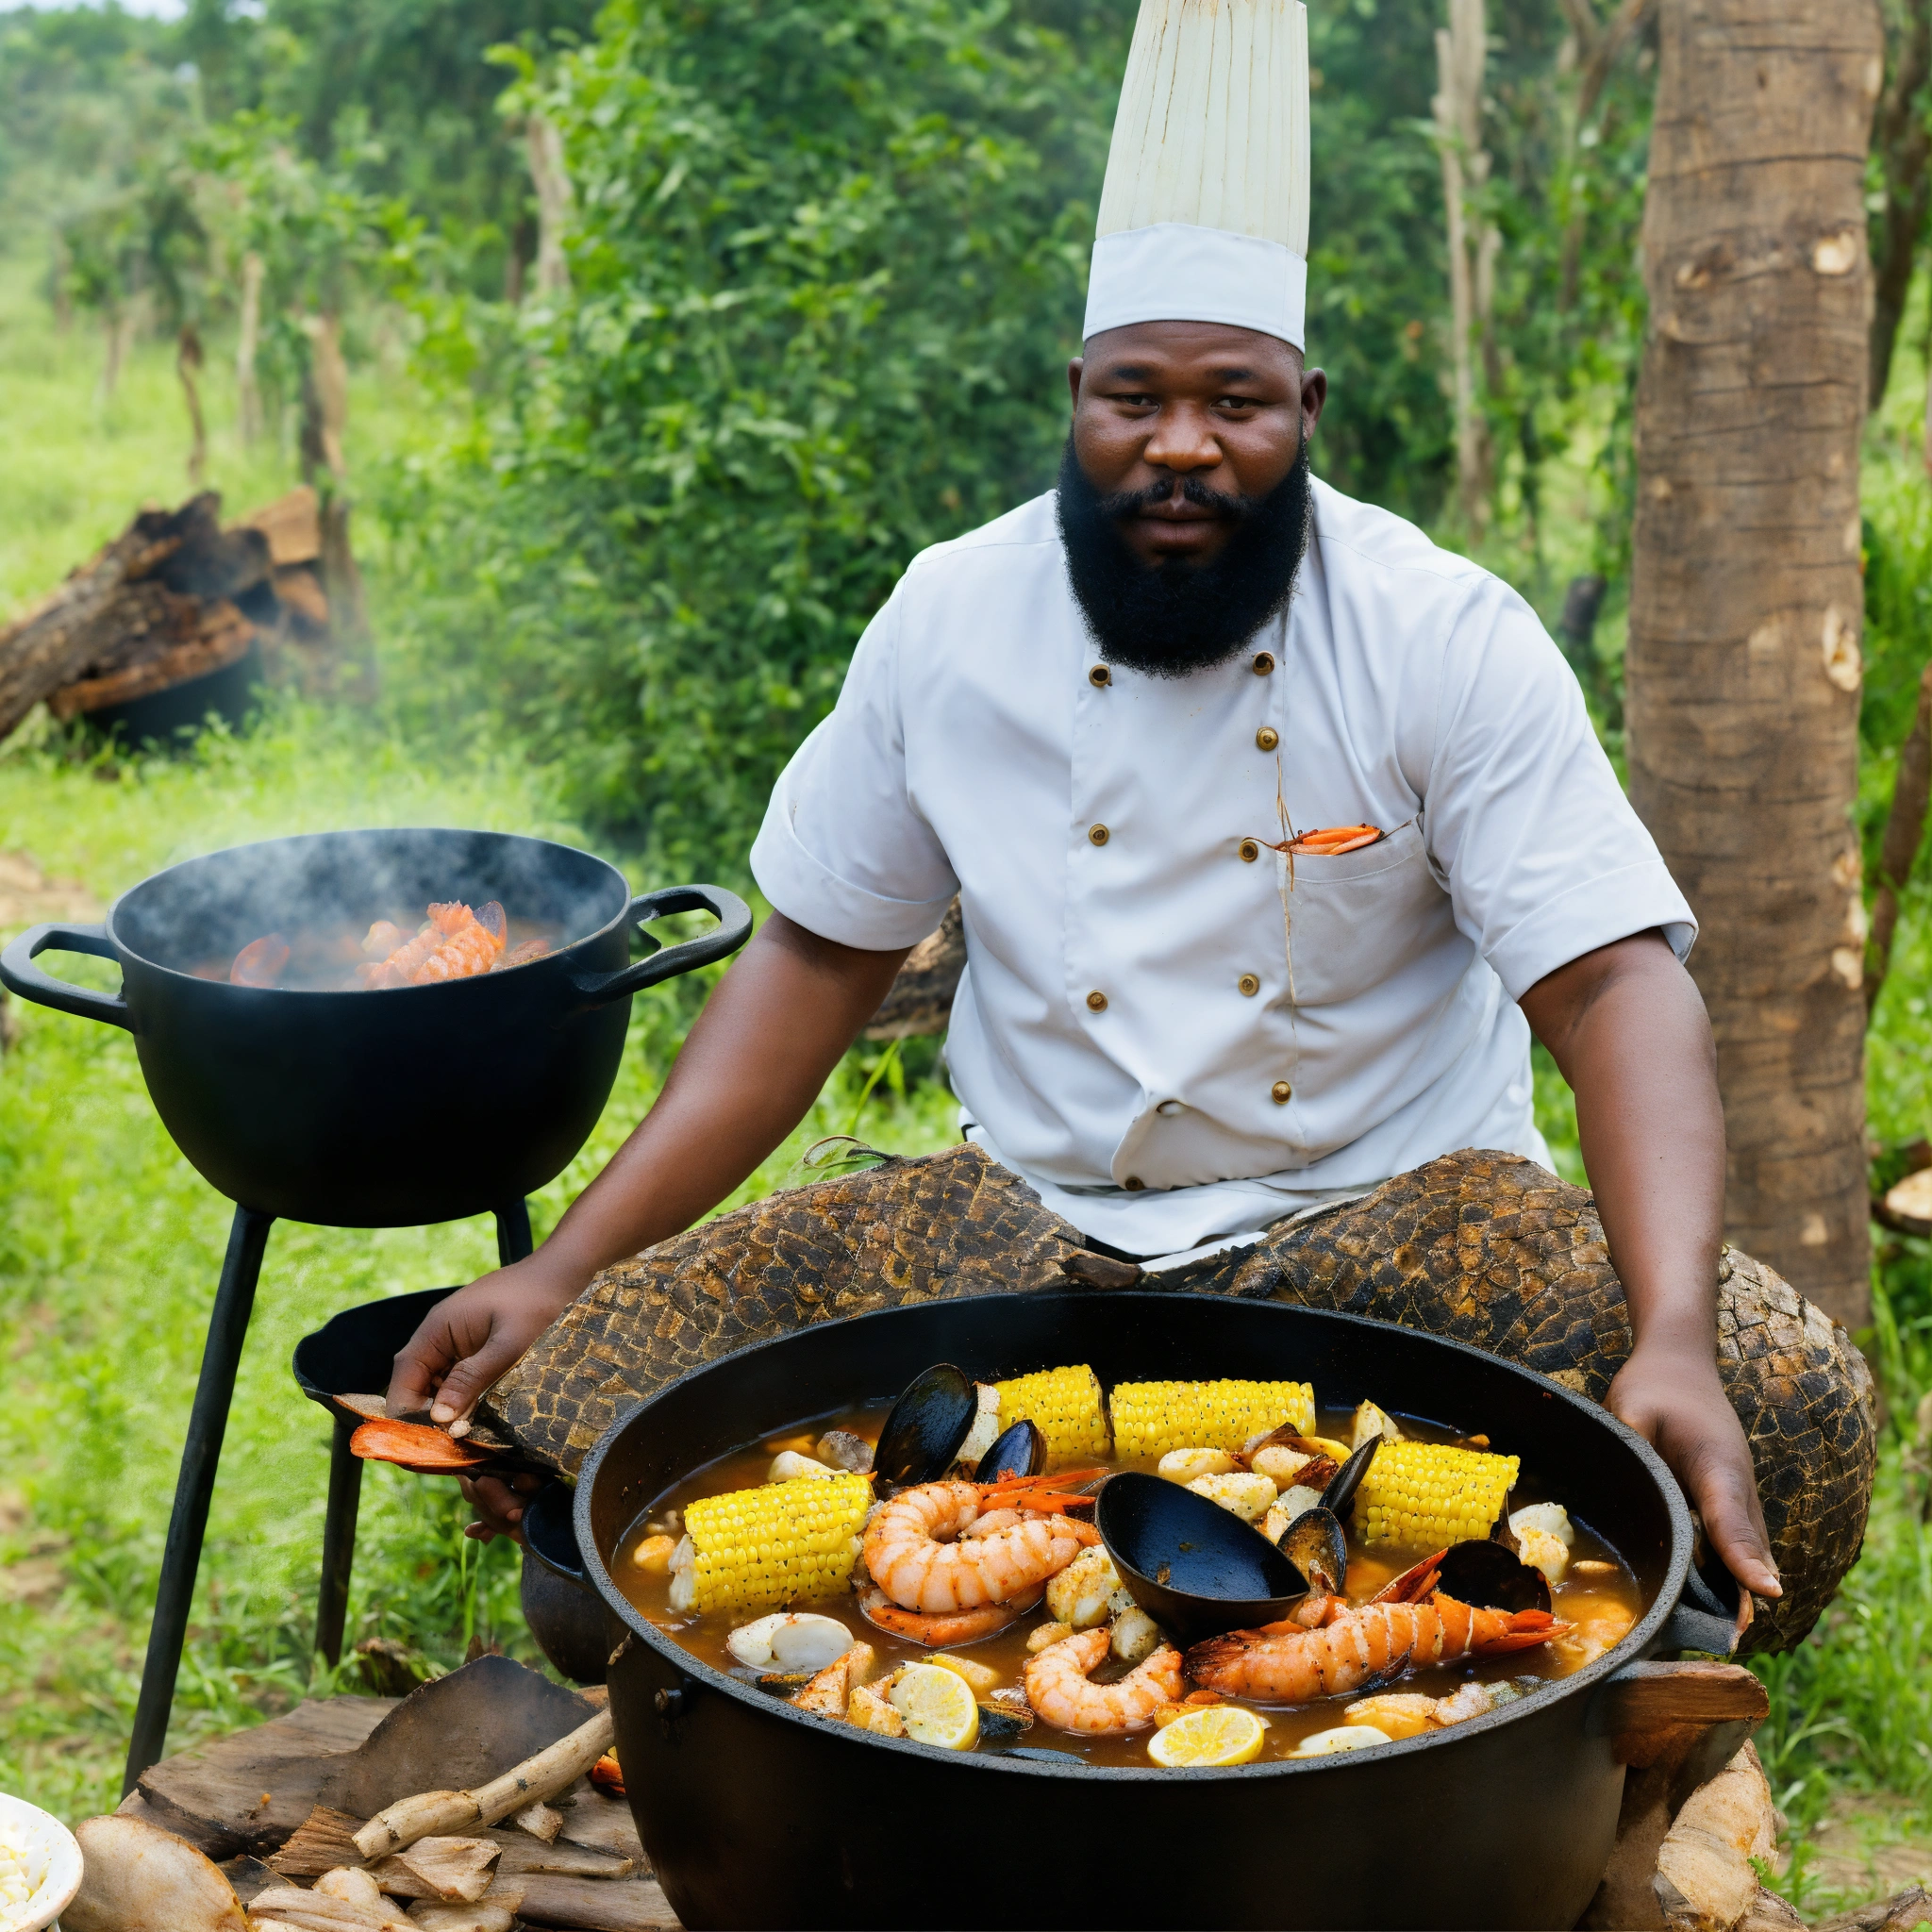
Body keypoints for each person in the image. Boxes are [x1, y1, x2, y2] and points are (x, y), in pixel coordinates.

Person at [387, 0, 1779, 1606]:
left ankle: (1624, 1773)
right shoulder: (948, 620)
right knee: (580, 1391)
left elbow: (1613, 980)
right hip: (1025, 1222)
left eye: (1235, 404)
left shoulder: (1439, 631)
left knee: (1778, 1402)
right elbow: (819, 959)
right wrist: (567, 1264)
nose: (1180, 447)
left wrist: (1671, 1323)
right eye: (1134, 398)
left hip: (1393, 1214)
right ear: (1075, 394)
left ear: (1307, 411)